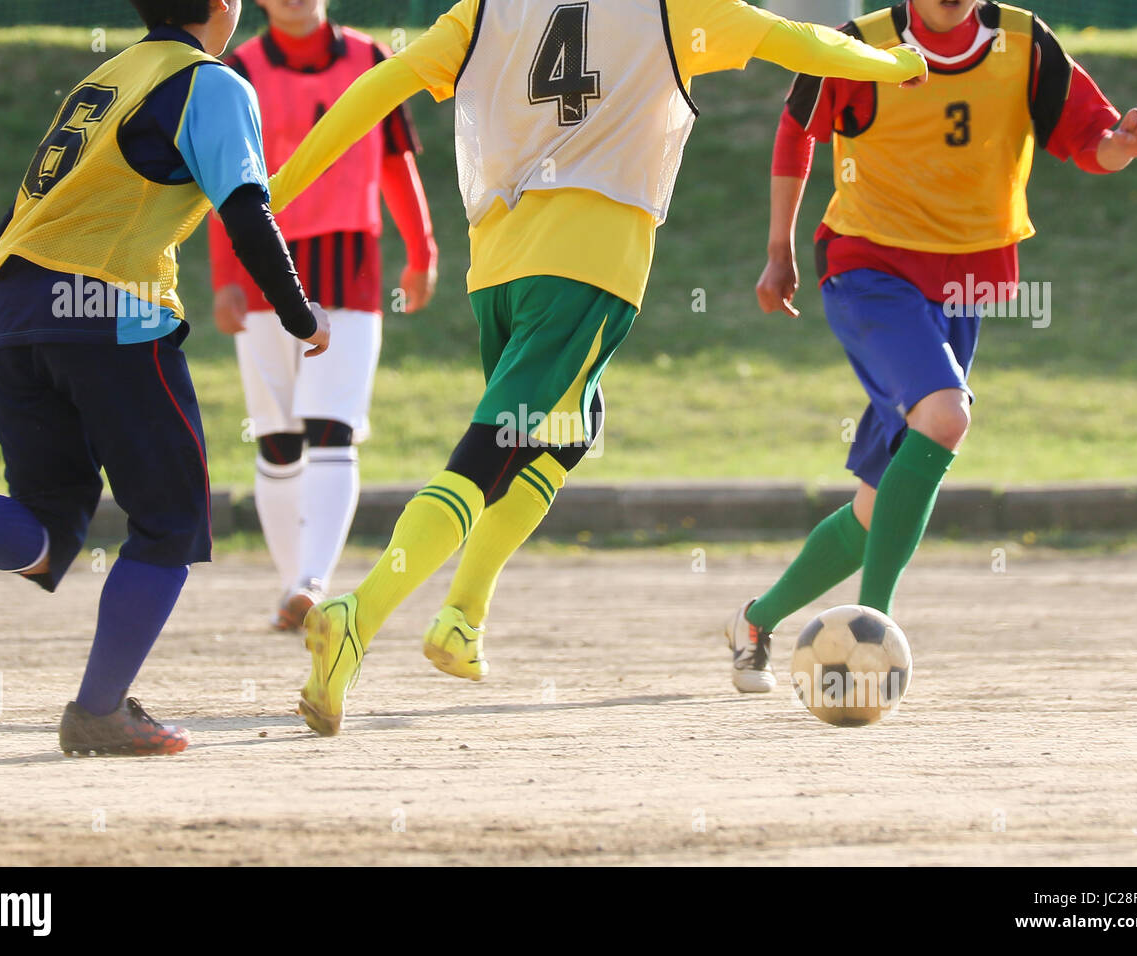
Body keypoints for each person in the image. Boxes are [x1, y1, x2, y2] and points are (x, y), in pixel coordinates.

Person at [264, 0, 927, 736]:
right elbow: (798, 40)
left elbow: (377, 90)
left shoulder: (483, 11)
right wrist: (895, 61)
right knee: (492, 453)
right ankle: (359, 616)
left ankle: (463, 617)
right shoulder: (670, 10)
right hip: (587, 265)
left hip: (498, 271)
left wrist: (276, 192)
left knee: (565, 430)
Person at [0, 0, 330, 755]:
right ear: (223, 6)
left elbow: (15, 223)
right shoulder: (211, 82)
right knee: (168, 520)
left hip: (15, 314)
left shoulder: (101, 82)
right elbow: (246, 207)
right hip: (111, 310)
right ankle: (98, 712)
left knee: (48, 518)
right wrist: (301, 315)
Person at [725, 0, 1137, 692]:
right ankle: (872, 630)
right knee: (946, 415)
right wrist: (778, 249)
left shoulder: (1023, 43)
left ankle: (755, 621)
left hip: (964, 288)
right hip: (867, 268)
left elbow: (1088, 140)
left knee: (877, 506)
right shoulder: (862, 46)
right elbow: (796, 128)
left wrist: (1125, 147)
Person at [209, 0, 438, 632]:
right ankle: (291, 586)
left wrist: (421, 250)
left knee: (332, 427)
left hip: (350, 266)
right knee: (278, 438)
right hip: (264, 266)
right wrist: (226, 277)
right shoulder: (238, 70)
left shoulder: (372, 60)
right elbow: (221, 182)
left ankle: (312, 583)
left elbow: (396, 163)